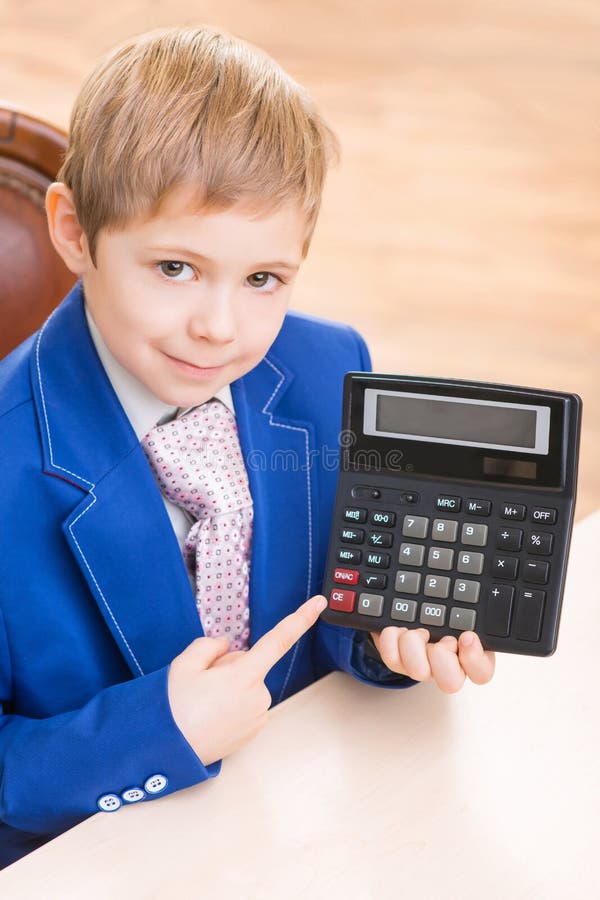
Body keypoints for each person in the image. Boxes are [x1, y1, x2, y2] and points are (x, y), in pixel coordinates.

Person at [0, 25, 494, 867]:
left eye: (263, 278)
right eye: (175, 269)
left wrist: (382, 635)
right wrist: (157, 731)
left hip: (310, 826)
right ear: (76, 231)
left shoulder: (328, 365)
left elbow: (331, 602)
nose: (221, 328)